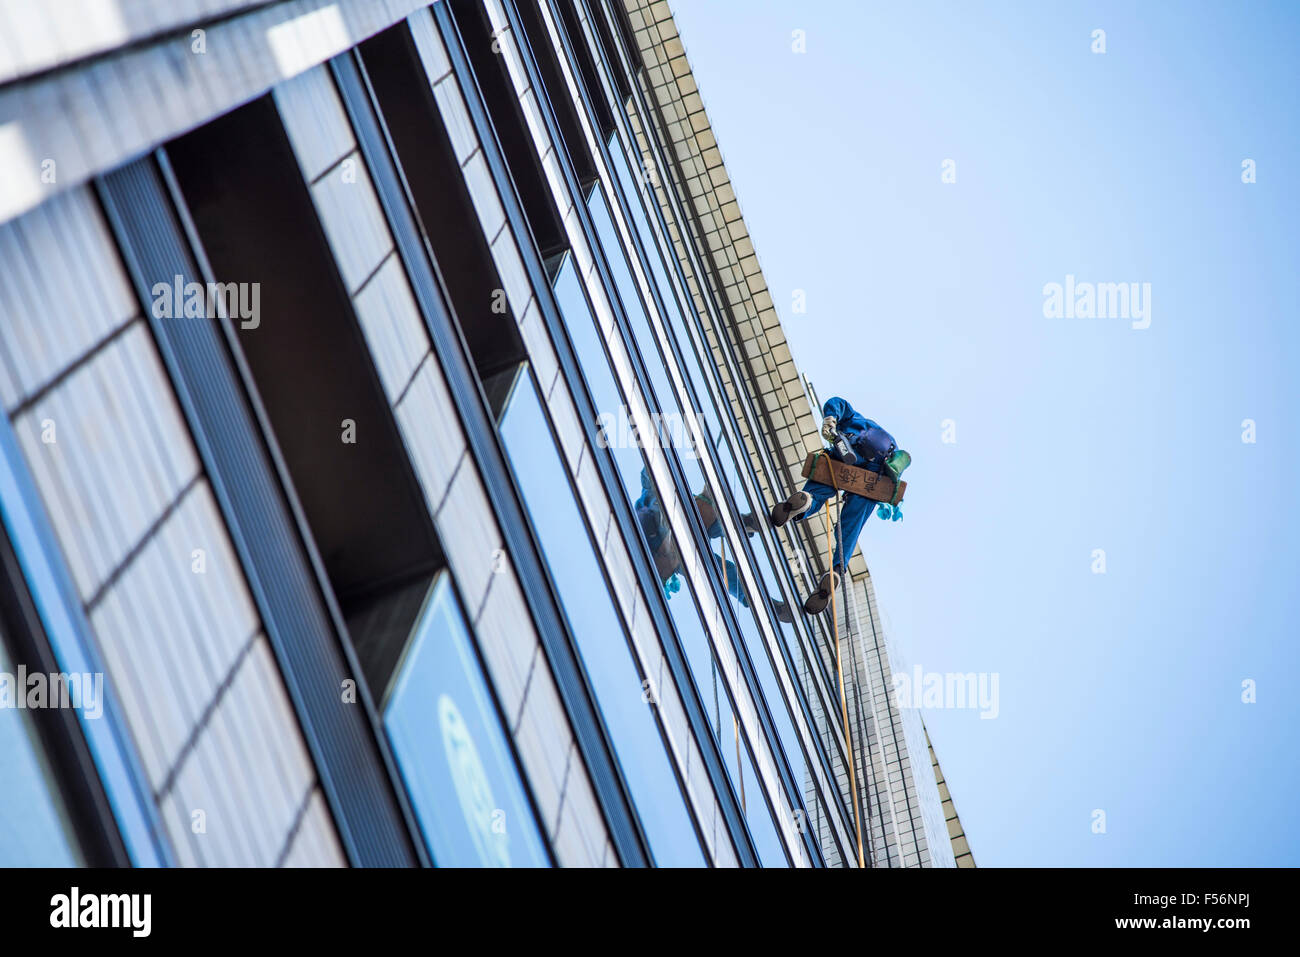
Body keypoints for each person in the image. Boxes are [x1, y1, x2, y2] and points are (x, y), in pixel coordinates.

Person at [769, 397, 905, 615]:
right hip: (875, 478)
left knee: (821, 487)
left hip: (847, 453)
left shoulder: (855, 419)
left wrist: (830, 419)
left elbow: (837, 402)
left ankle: (805, 502)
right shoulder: (888, 445)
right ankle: (838, 569)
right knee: (850, 526)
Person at [636, 469, 795, 623]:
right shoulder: (687, 560)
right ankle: (740, 524)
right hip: (687, 517)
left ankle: (739, 524)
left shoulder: (651, 510)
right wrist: (768, 606)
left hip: (673, 508)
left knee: (705, 519)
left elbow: (649, 472)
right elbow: (728, 577)